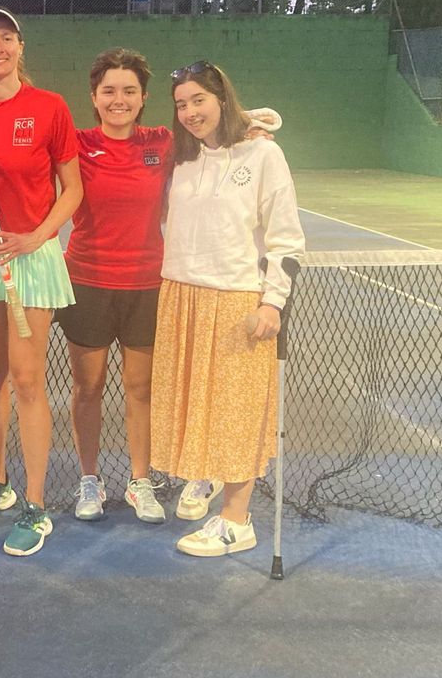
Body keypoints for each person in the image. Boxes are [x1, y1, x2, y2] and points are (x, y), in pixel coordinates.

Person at [0, 7, 84, 557]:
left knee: (28, 379)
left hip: (31, 256)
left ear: (20, 47)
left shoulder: (50, 107)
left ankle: (34, 502)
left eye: (6, 38)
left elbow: (71, 189)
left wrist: (37, 236)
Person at [153, 61, 305, 557]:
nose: (190, 112)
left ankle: (237, 522)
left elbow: (285, 237)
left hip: (237, 299)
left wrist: (272, 302)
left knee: (237, 413)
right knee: (200, 404)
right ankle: (208, 474)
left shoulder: (263, 154)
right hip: (181, 294)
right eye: (181, 104)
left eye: (199, 99)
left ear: (222, 98)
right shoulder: (182, 158)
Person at [57, 48, 171, 524]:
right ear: (94, 97)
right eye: (109, 91)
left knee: (140, 389)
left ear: (143, 98)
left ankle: (140, 481)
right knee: (88, 387)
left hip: (147, 283)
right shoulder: (77, 143)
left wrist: (251, 126)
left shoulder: (164, 141)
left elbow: (214, 127)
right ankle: (90, 478)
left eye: (128, 91)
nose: (118, 99)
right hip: (88, 281)